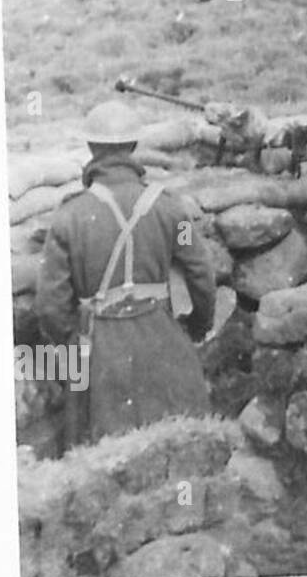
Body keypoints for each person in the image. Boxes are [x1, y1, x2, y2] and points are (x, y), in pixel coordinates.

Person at [35, 100, 215, 450]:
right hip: (164, 340)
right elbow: (201, 274)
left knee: (102, 459)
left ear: (90, 148)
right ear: (134, 146)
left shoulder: (69, 218)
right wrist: (196, 326)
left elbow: (50, 307)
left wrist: (72, 344)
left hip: (97, 348)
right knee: (182, 447)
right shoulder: (170, 209)